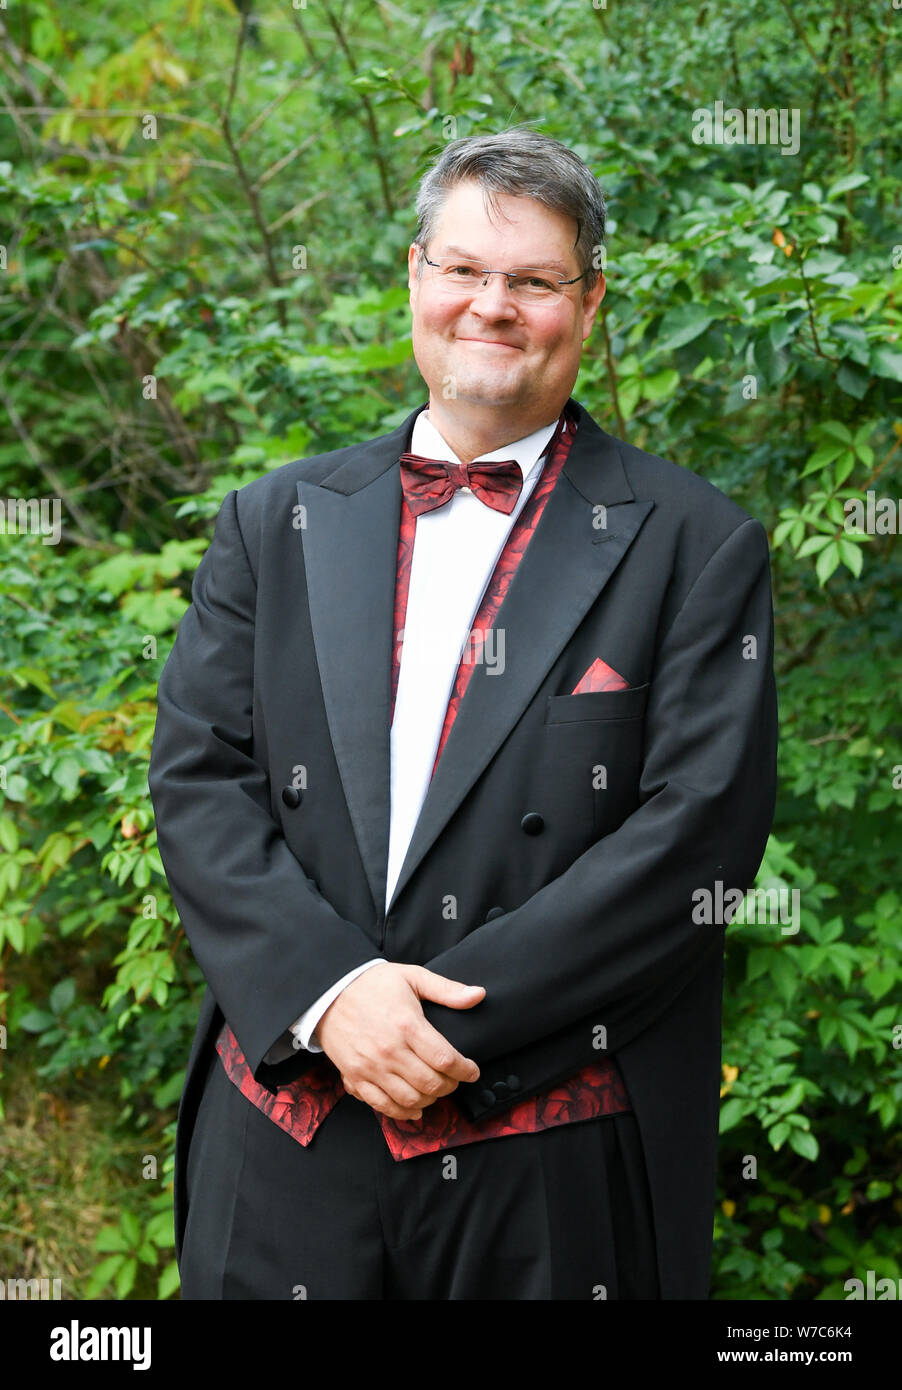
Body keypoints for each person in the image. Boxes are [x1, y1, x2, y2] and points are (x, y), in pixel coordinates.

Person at [148, 126, 777, 1300]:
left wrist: (439, 1037)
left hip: (546, 1162)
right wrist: (337, 997)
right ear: (414, 277)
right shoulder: (269, 521)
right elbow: (195, 780)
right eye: (463, 271)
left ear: (585, 305)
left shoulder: (697, 546)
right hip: (283, 1146)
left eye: (532, 281)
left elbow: (696, 837)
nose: (491, 306)